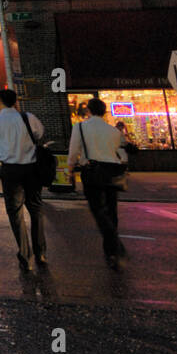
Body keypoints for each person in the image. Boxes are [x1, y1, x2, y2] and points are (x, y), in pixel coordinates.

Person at [0, 88, 49, 271]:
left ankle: (25, 254)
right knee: (36, 209)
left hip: (11, 170)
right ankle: (41, 251)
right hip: (32, 168)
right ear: (15, 101)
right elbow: (40, 133)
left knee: (15, 212)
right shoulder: (28, 118)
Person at [68, 98, 130, 268]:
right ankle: (110, 251)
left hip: (92, 171)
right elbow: (120, 150)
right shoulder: (113, 131)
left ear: (88, 110)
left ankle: (115, 246)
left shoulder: (80, 127)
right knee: (111, 210)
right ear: (104, 112)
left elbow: (74, 151)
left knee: (98, 210)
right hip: (112, 171)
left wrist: (70, 169)